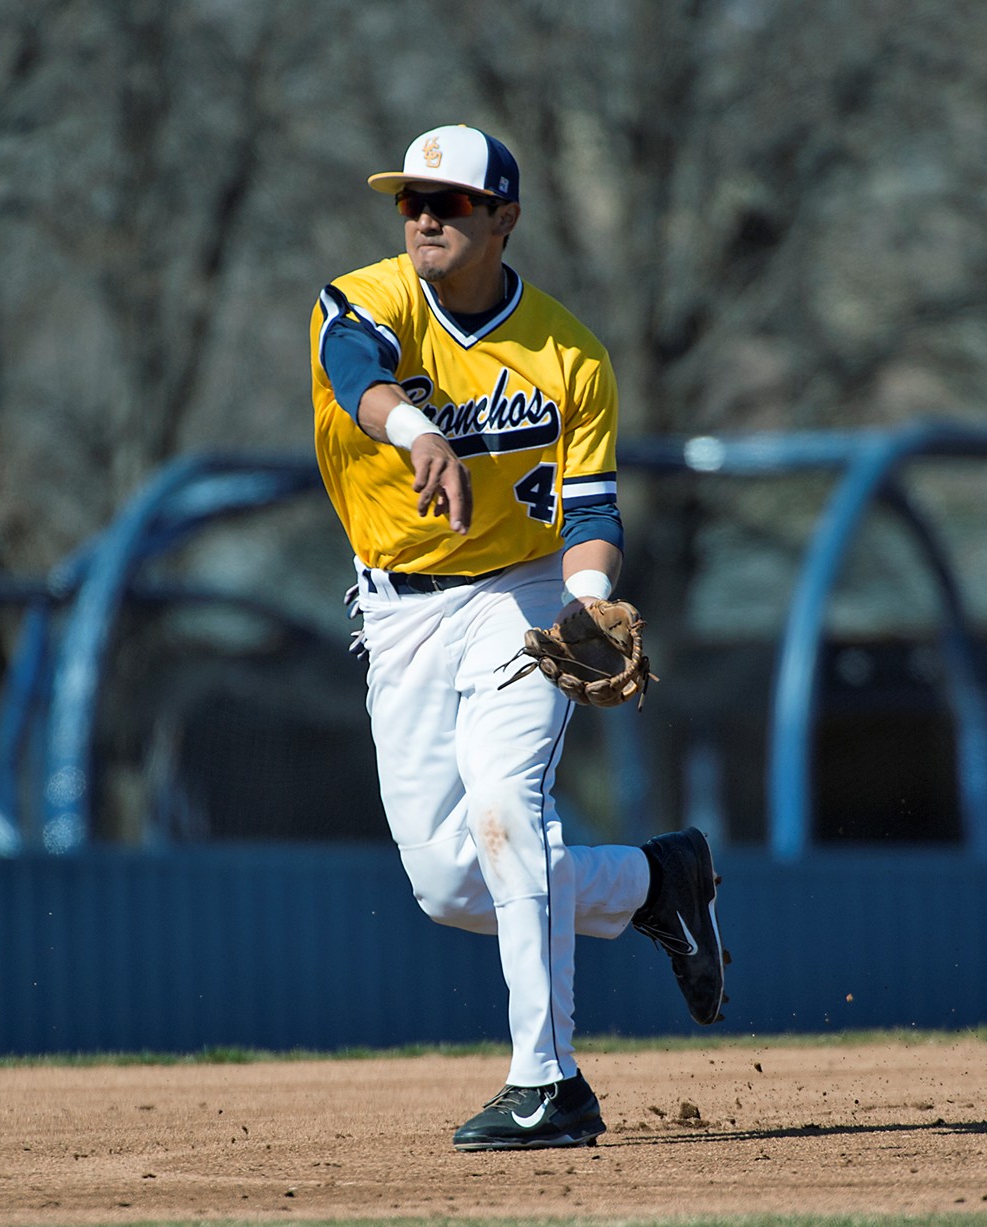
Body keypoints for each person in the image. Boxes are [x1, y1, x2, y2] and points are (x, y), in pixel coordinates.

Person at [308, 123, 727, 1151]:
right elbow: (354, 366)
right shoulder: (368, 298)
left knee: (507, 811)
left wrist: (587, 602)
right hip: (399, 610)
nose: (422, 218)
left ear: (504, 219)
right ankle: (649, 883)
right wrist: (417, 428)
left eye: (447, 204)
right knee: (447, 885)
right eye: (409, 199)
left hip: (523, 591)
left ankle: (549, 1082)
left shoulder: (568, 352)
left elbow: (590, 514)